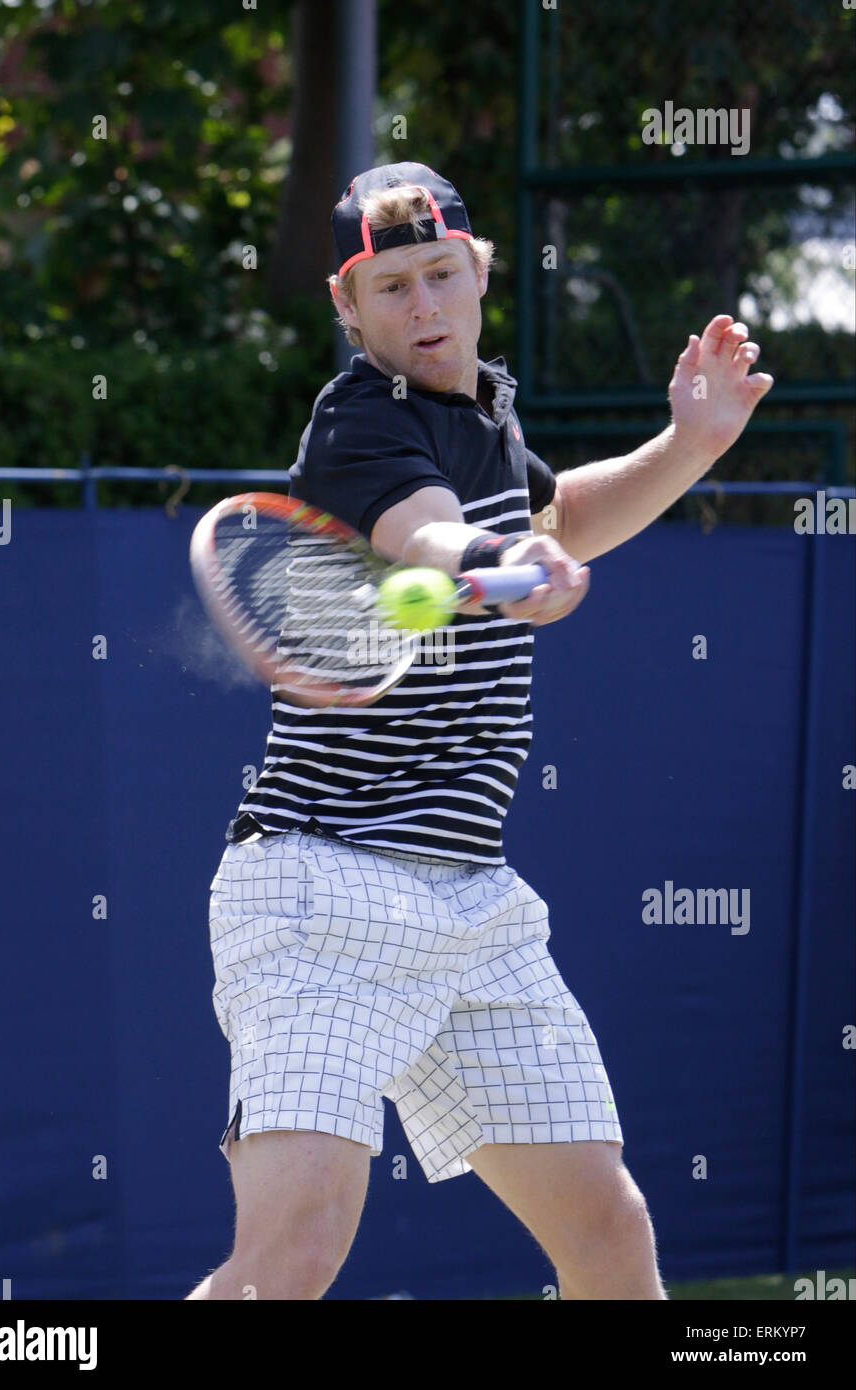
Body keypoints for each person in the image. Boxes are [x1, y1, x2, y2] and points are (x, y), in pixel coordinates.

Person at [186, 161, 772, 1301]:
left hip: (475, 906)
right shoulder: (361, 418)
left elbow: (556, 517)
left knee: (608, 1236)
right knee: (290, 1262)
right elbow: (430, 541)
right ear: (346, 308)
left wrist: (688, 444)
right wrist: (501, 566)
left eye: (441, 277)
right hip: (321, 894)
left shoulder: (487, 413)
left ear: (479, 276)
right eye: (391, 286)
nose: (423, 310)